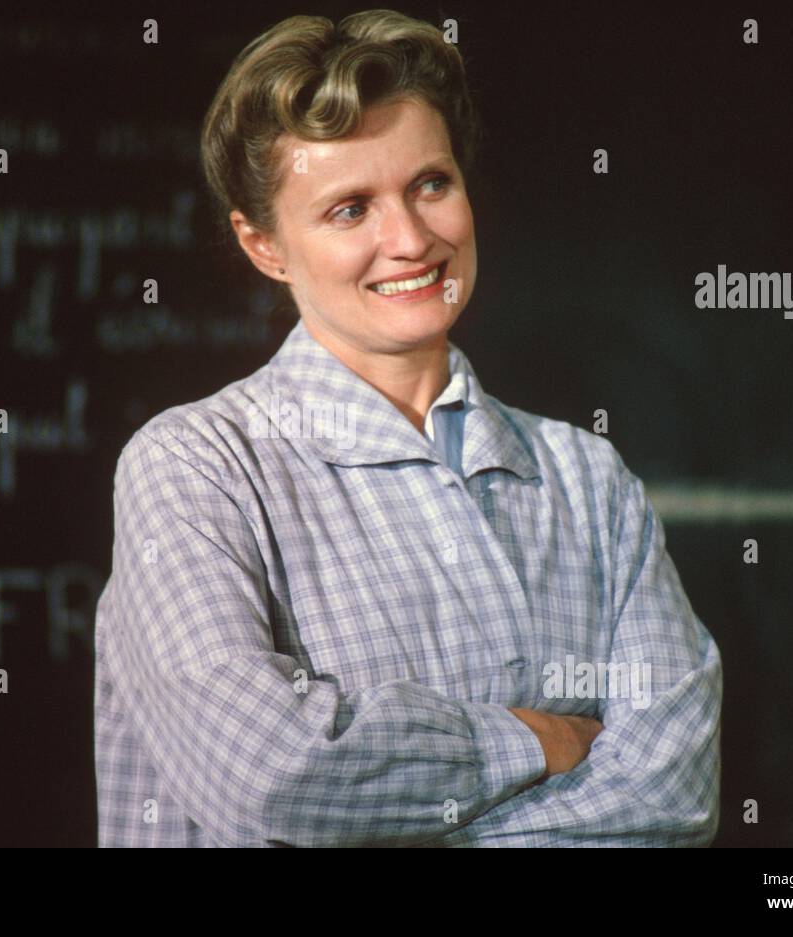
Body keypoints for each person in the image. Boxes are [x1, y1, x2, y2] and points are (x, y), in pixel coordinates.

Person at [94, 10, 721, 847]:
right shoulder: (196, 468)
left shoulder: (586, 478)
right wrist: (541, 738)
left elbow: (672, 795)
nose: (412, 239)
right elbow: (271, 774)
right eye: (350, 209)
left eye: (431, 184)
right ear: (264, 245)